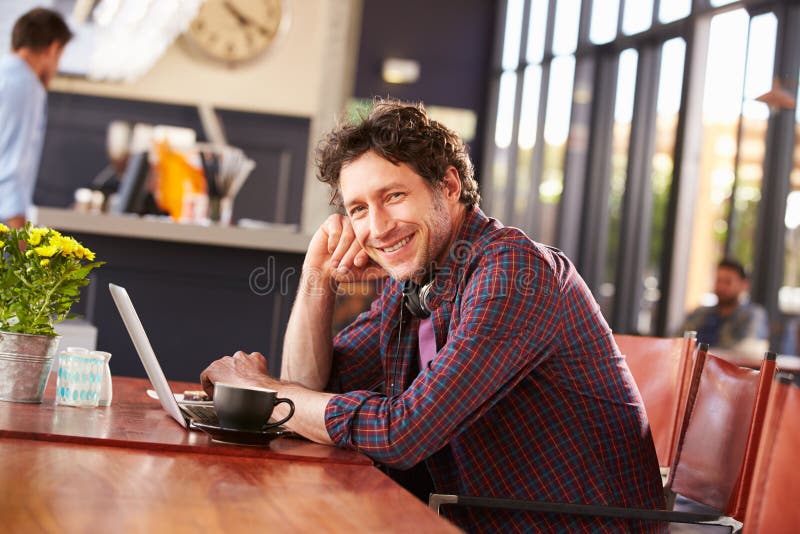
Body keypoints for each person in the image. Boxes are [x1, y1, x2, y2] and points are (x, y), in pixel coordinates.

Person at [201, 100, 665, 532]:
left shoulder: (513, 271)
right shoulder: (417, 283)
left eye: (395, 196)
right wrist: (316, 279)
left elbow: (401, 432)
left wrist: (264, 391)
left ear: (448, 185)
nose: (377, 228)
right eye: (359, 209)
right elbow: (311, 392)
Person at [0, 8, 72, 229]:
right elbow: (13, 163)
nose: (57, 67)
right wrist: (19, 234)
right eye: (59, 58)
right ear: (53, 49)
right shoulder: (27, 85)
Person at [682, 258, 769, 368]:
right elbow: (678, 342)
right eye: (718, 281)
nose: (721, 287)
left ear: (744, 285)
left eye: (728, 282)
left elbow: (750, 350)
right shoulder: (701, 313)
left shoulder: (753, 315)